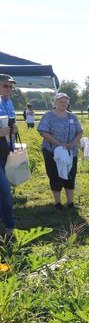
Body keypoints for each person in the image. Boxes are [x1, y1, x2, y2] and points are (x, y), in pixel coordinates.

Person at [37, 92, 83, 210]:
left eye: (66, 102)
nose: (64, 104)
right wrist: (59, 144)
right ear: (55, 103)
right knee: (54, 175)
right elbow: (42, 131)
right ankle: (57, 202)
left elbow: (80, 132)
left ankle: (70, 202)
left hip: (70, 152)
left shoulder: (72, 116)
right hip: (52, 151)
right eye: (61, 101)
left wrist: (72, 144)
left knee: (70, 175)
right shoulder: (48, 116)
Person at [0, 75, 18, 238]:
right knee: (5, 191)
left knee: (4, 190)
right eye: (6, 86)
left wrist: (14, 130)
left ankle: (7, 219)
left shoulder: (9, 103)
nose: (9, 90)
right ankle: (10, 227)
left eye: (11, 87)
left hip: (5, 152)